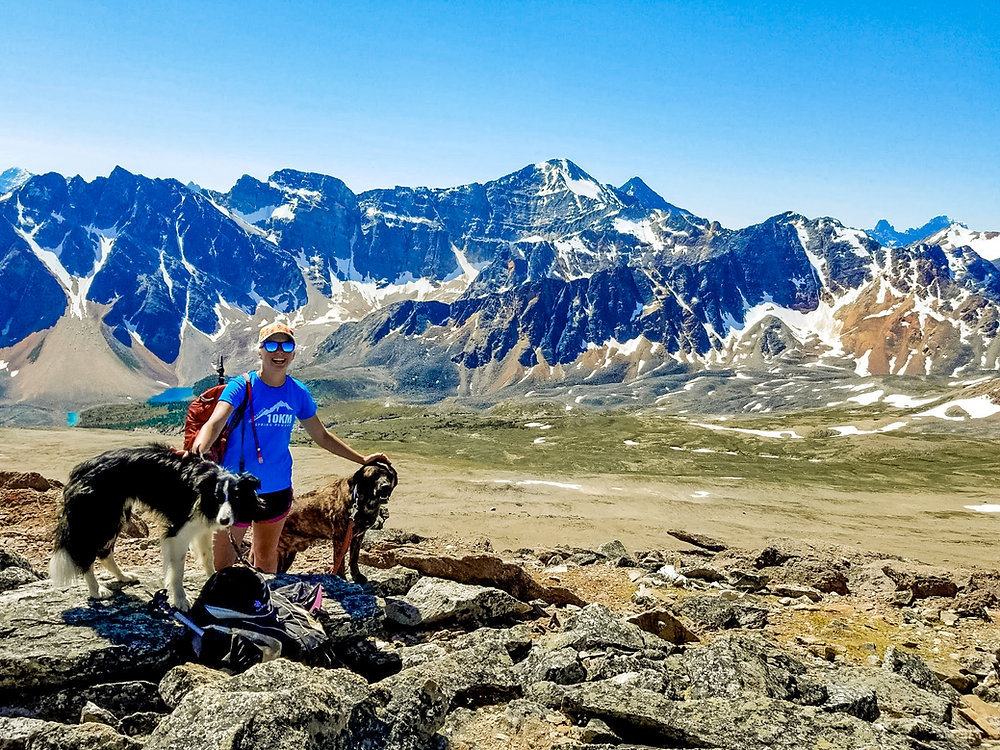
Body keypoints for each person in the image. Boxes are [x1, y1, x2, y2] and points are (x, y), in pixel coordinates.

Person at [191, 322, 389, 573]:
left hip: (277, 489)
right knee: (222, 565)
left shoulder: (297, 392)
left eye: (286, 346)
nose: (279, 352)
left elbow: (322, 436)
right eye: (271, 345)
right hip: (235, 487)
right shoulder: (241, 386)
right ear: (260, 351)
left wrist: (362, 460)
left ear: (293, 353)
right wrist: (197, 452)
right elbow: (215, 422)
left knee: (265, 558)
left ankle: (261, 597)